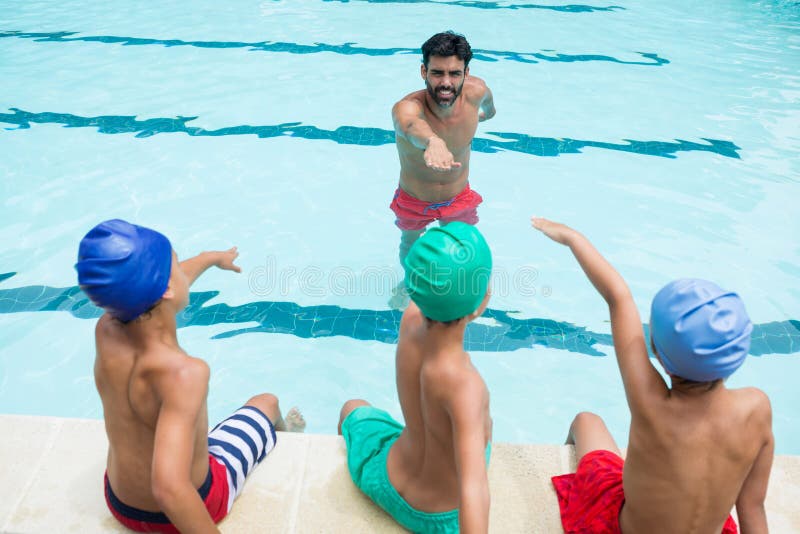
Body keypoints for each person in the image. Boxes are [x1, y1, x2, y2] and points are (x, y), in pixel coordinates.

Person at [531, 217, 773, 534]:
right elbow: (752, 509)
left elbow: (618, 297)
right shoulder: (757, 409)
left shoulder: (651, 403)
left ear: (658, 352)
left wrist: (572, 237)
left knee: (586, 421)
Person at [75, 219, 305, 534]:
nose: (184, 271)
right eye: (176, 266)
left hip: (119, 501)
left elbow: (148, 284)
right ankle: (288, 434)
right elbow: (170, 488)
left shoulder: (106, 329)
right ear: (168, 288)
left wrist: (211, 258)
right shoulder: (184, 373)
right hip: (182, 510)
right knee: (266, 402)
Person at [339, 222, 494, 533]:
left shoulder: (410, 318)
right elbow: (473, 489)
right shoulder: (465, 387)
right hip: (437, 517)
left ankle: (293, 432)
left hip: (383, 476)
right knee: (483, 432)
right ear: (480, 304)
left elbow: (427, 277)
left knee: (352, 407)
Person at [389, 31, 496, 309]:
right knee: (412, 246)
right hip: (414, 198)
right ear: (423, 71)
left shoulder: (477, 92)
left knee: (465, 250)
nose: (445, 82)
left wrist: (485, 114)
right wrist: (433, 141)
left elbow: (490, 108)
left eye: (454, 73)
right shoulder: (407, 108)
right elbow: (411, 126)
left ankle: (459, 299)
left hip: (457, 196)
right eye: (437, 73)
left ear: (466, 73)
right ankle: (411, 283)